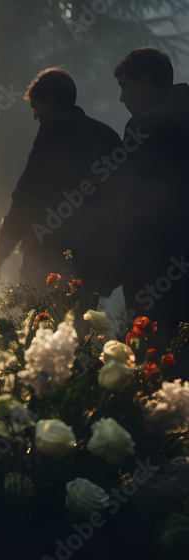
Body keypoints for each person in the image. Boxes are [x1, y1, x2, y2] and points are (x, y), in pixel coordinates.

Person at [0, 68, 122, 290]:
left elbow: (25, 196)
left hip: (47, 259)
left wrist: (0, 252)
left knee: (41, 322)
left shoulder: (54, 128)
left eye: (36, 107)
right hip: (92, 265)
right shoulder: (107, 135)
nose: (35, 116)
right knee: (80, 321)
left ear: (49, 101)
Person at [113, 47, 189, 341]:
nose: (121, 98)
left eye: (125, 86)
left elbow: (133, 205)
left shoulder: (143, 125)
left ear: (144, 82)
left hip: (158, 267)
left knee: (160, 354)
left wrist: (125, 264)